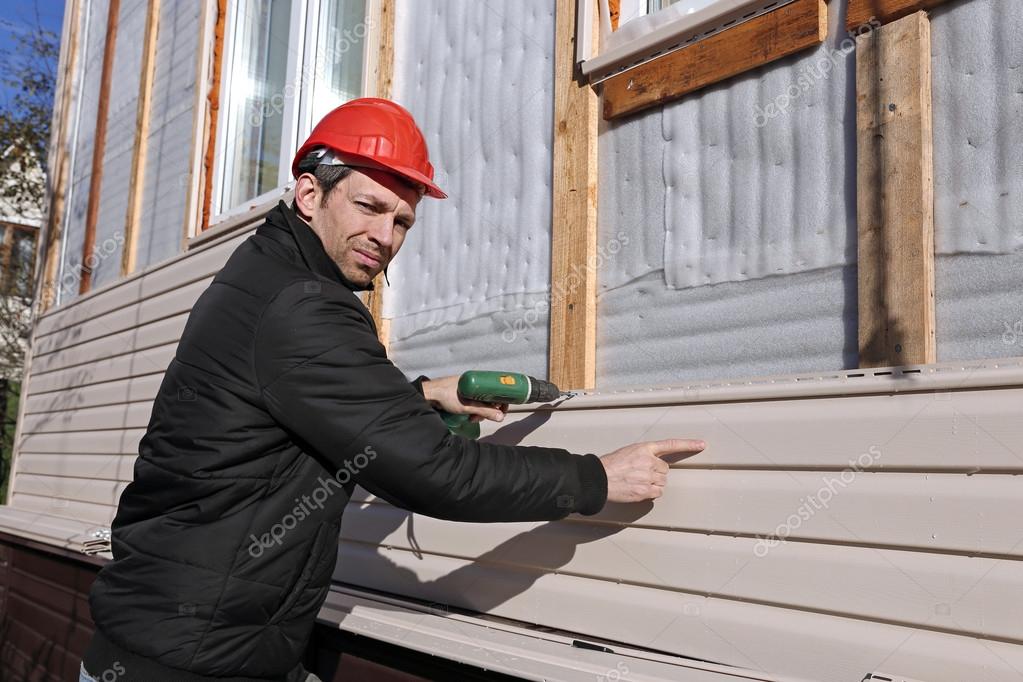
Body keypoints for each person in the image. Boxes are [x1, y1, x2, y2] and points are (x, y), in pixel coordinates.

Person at [80, 98, 705, 682]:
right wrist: (595, 478)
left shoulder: (266, 276)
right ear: (308, 194)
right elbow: (433, 473)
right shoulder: (302, 305)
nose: (387, 236)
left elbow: (308, 408)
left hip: (177, 638)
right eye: (370, 207)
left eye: (403, 219)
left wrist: (426, 394)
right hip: (193, 658)